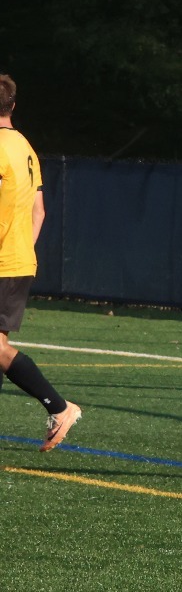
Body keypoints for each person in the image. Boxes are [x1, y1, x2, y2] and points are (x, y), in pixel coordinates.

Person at [0, 76, 80, 451]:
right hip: (16, 260)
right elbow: (39, 210)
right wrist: (21, 252)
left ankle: (59, 407)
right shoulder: (26, 148)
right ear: (12, 106)